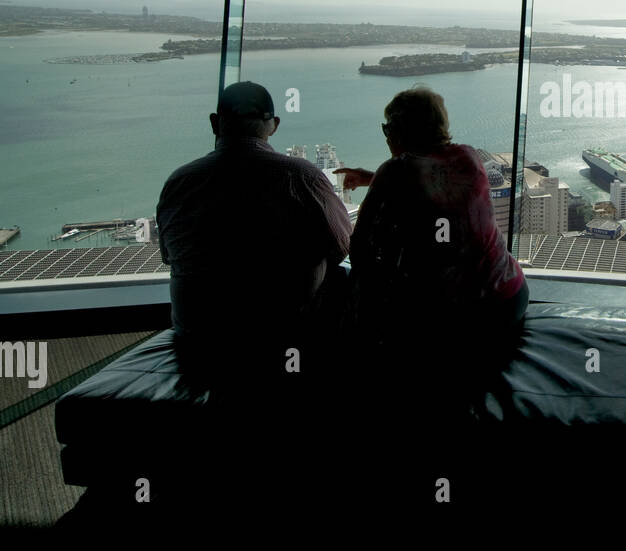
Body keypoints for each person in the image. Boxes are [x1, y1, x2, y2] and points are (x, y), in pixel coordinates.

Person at [156, 81, 352, 383]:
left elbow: (170, 257)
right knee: (343, 276)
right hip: (280, 338)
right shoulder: (300, 176)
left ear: (214, 123)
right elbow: (341, 247)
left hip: (199, 342)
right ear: (273, 125)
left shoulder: (179, 181)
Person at [336, 86, 528, 384]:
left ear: (401, 130)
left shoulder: (395, 172)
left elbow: (359, 248)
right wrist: (374, 178)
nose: (386, 136)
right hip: (510, 297)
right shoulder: (469, 156)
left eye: (388, 128)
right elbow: (436, 186)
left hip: (464, 320)